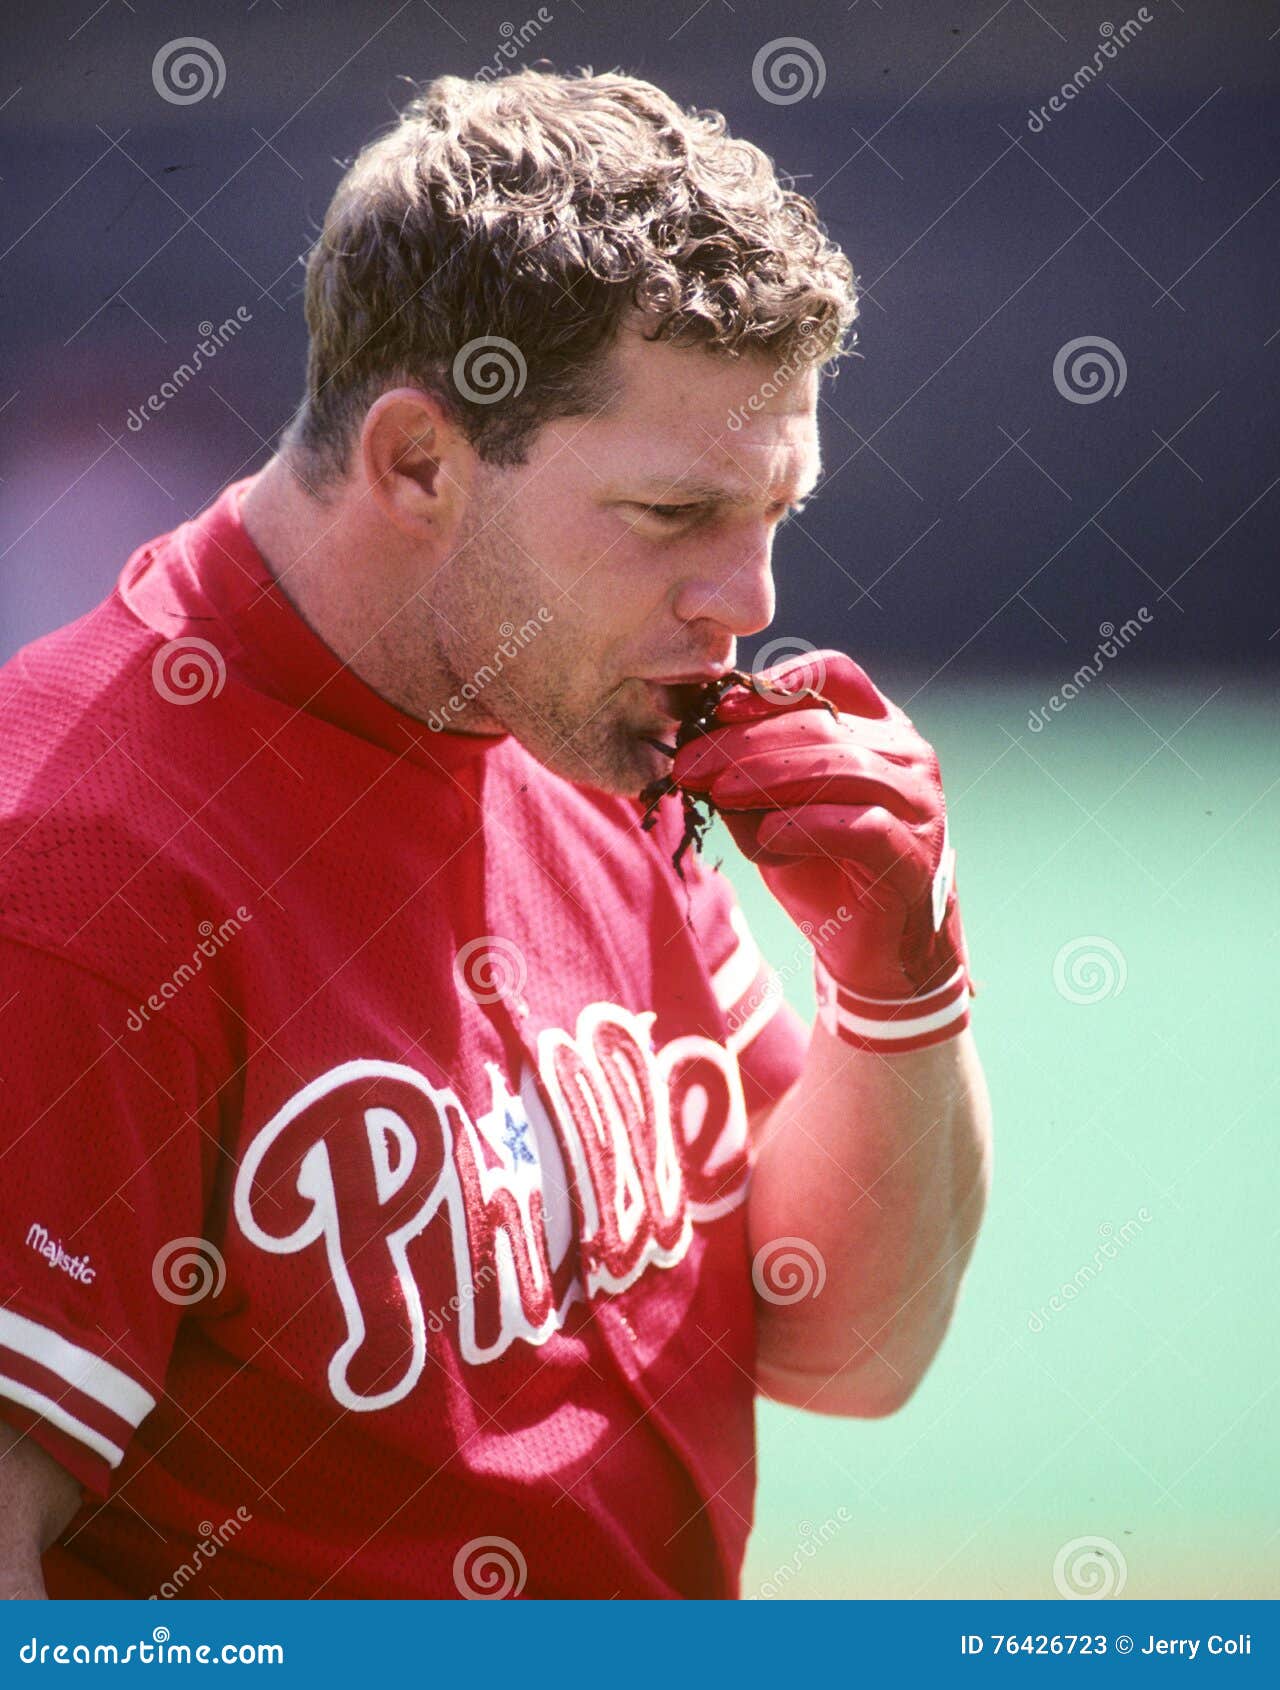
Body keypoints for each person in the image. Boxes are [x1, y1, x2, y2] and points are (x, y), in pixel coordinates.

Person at [0, 67, 991, 1601]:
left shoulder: (569, 707)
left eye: (775, 512)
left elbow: (843, 1345)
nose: (750, 603)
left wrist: (896, 987)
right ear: (416, 463)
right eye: (672, 515)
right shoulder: (77, 867)